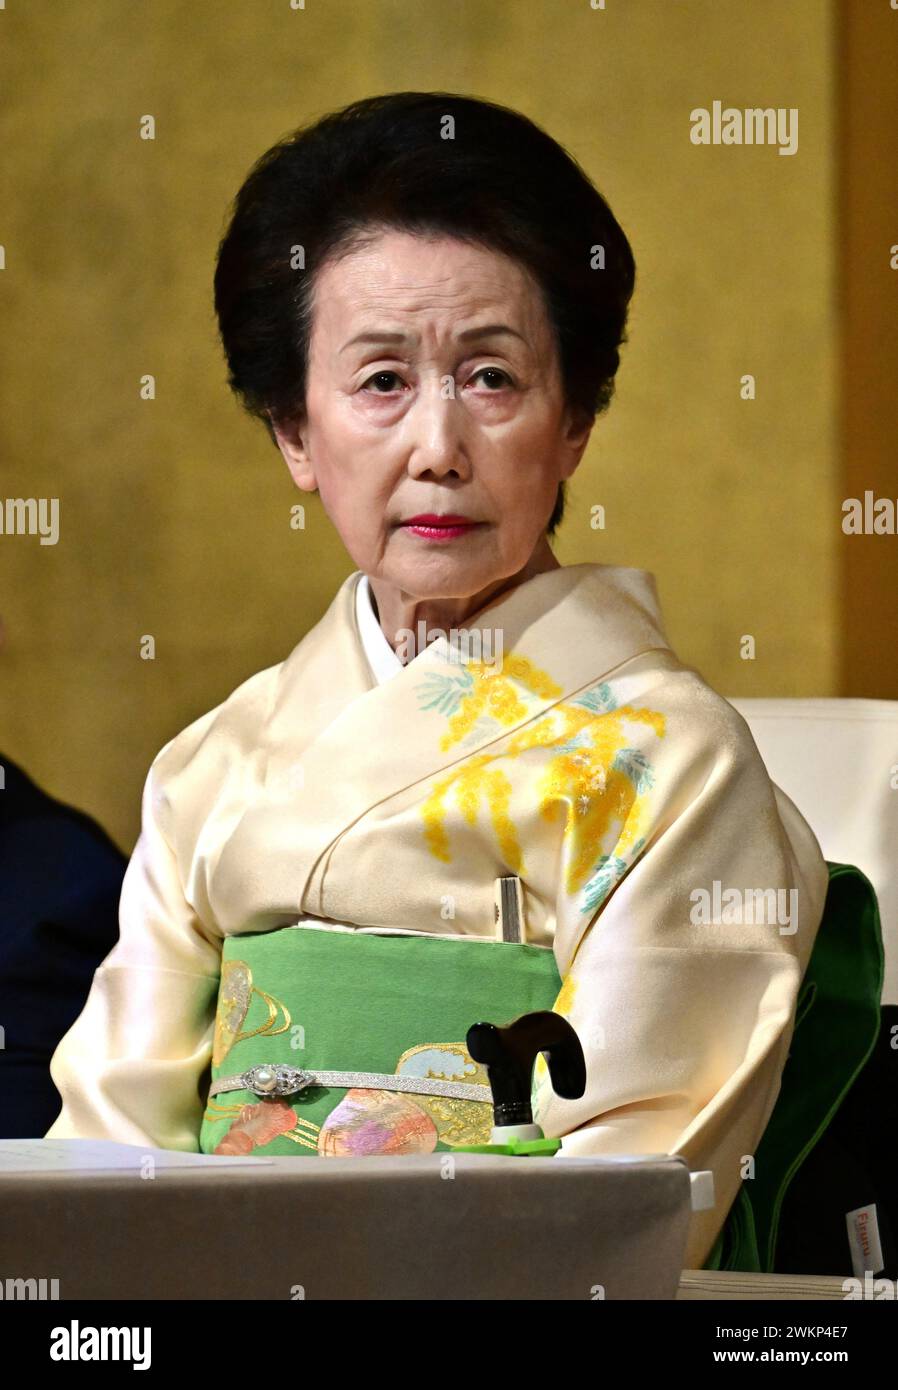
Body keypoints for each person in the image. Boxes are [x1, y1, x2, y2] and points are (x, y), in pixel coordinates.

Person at [45, 91, 830, 1271]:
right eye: (378, 382)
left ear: (573, 422)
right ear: (293, 435)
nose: (437, 447)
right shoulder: (213, 764)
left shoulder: (676, 766)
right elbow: (109, 1155)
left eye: (492, 378)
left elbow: (621, 1202)